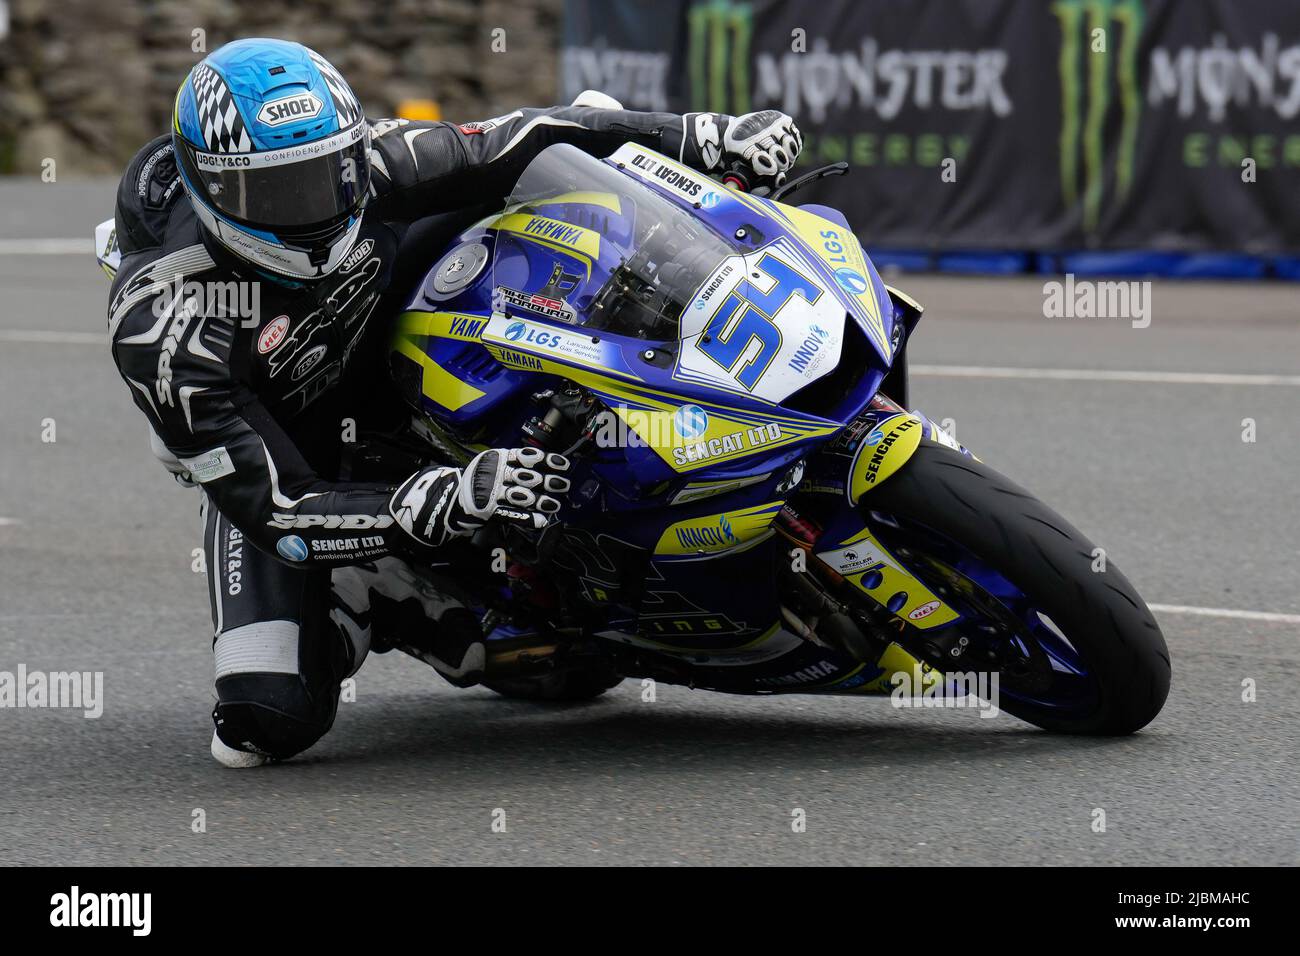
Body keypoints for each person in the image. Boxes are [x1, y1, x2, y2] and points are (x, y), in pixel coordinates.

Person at [106, 37, 803, 767]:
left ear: (351, 150)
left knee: (566, 155)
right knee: (265, 720)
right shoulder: (168, 320)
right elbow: (278, 507)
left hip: (389, 318)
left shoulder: (374, 163)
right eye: (277, 194)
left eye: (329, 177)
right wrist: (425, 503)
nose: (314, 211)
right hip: (294, 455)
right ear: (211, 192)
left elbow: (524, 133)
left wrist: (702, 135)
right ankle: (379, 593)